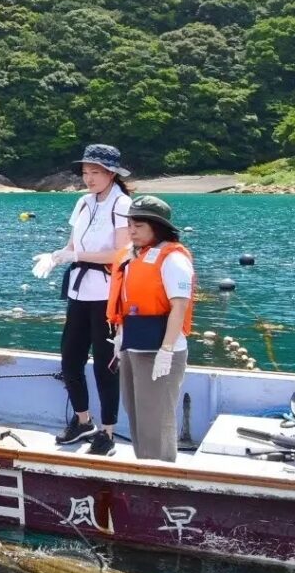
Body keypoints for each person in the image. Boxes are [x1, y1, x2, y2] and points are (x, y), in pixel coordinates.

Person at [38, 144, 133, 447]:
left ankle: (107, 432)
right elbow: (72, 245)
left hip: (107, 295)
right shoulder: (83, 202)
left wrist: (76, 255)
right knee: (70, 358)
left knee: (106, 365)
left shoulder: (122, 204)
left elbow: (120, 254)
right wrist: (56, 256)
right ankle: (83, 421)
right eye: (85, 172)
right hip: (79, 292)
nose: (89, 178)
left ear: (111, 174)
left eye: (95, 172)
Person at [101, 195, 194, 460]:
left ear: (158, 227)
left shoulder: (173, 259)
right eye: (130, 225)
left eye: (139, 226)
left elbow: (179, 307)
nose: (132, 231)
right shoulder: (132, 256)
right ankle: (143, 465)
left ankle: (160, 472)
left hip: (160, 350)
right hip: (133, 343)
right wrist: (120, 338)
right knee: (136, 412)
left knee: (156, 418)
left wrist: (166, 350)